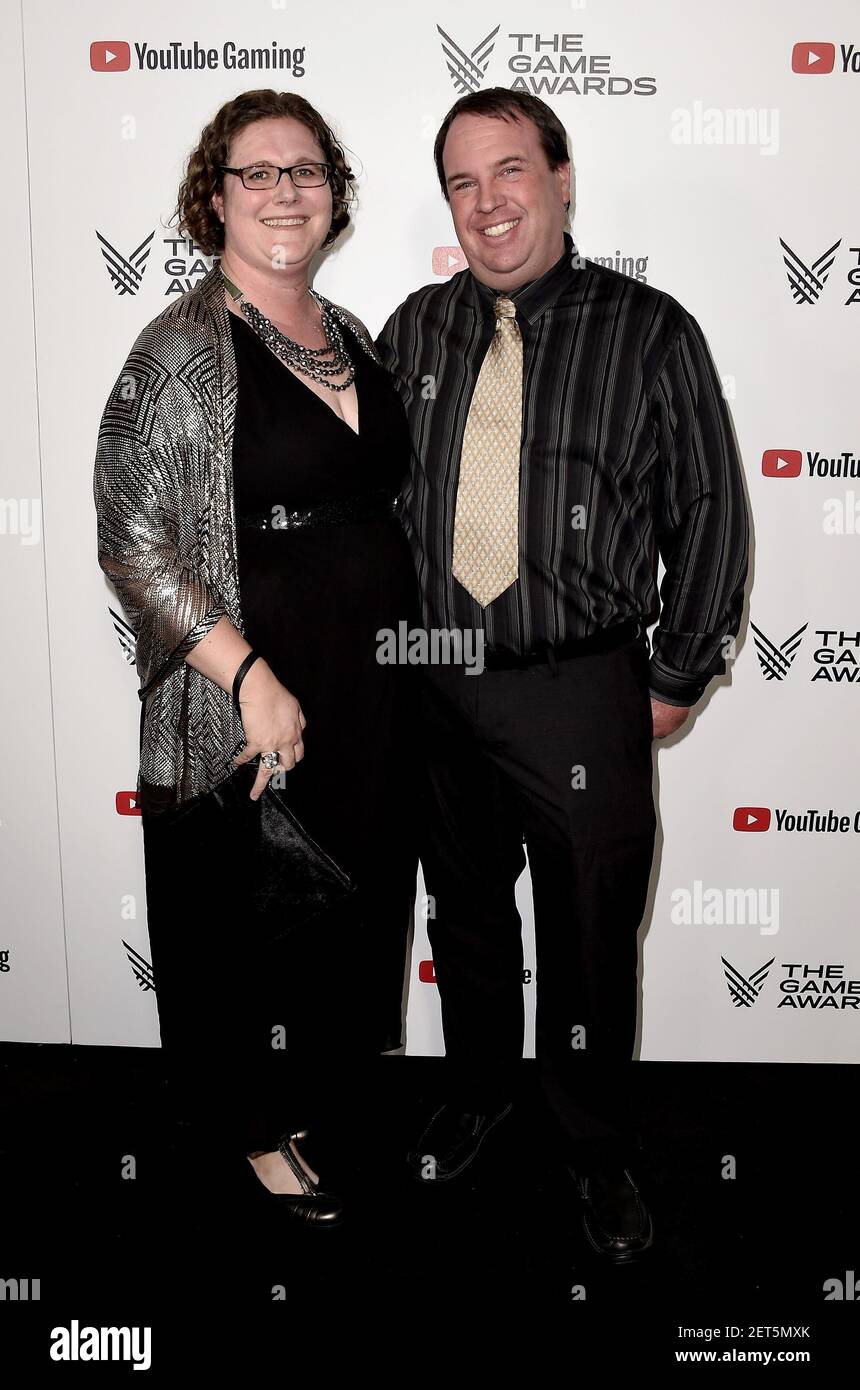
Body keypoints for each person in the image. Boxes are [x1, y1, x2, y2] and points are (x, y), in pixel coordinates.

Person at [375, 88, 749, 1263]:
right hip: (436, 677)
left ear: (561, 176)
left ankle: (591, 1145)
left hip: (578, 679)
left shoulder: (649, 329)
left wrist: (677, 672)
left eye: (509, 172)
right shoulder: (413, 330)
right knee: (468, 918)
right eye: (461, 182)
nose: (486, 204)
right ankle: (481, 1093)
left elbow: (707, 510)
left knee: (589, 937)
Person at [93, 88, 420, 1227]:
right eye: (258, 172)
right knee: (242, 915)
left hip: (369, 683)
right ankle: (248, 1128)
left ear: (333, 195)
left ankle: (317, 1096)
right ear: (215, 197)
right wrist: (246, 672)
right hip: (246, 688)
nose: (285, 190)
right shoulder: (180, 348)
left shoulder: (357, 335)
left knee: (342, 905)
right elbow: (132, 538)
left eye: (306, 171)